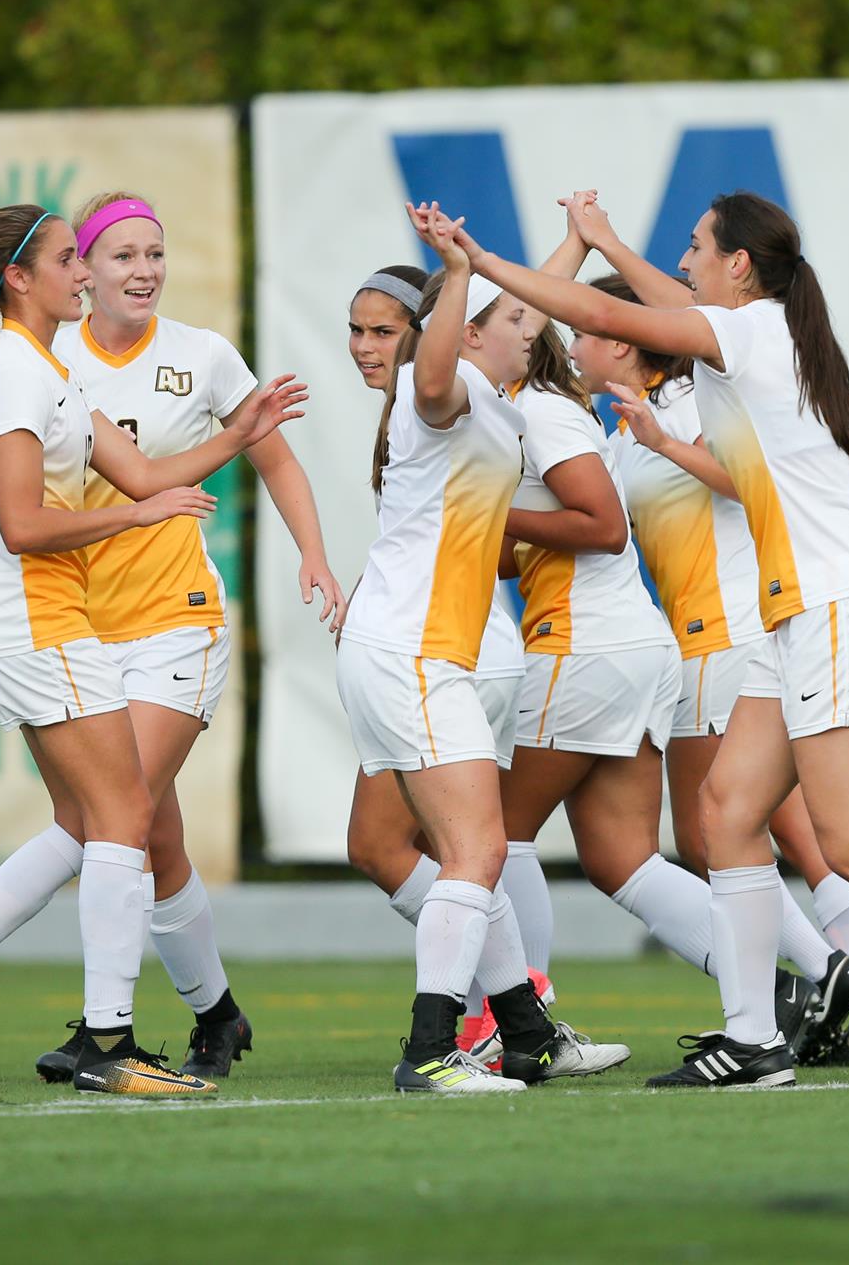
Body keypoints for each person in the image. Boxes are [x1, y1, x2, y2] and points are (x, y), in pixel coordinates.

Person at [442, 192, 849, 1087]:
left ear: (739, 266)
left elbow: (606, 313)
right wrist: (603, 242)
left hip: (840, 605)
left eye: (693, 247)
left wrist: (477, 265)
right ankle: (753, 1038)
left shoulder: (751, 332)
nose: (680, 262)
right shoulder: (750, 328)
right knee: (724, 818)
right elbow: (662, 307)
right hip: (798, 614)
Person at [0, 204, 304, 1097]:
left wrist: (239, 430)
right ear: (20, 281)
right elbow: (27, 525)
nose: (86, 272)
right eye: (74, 259)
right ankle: (107, 1042)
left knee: (99, 823)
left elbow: (148, 473)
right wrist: (135, 516)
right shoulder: (11, 378)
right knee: (123, 821)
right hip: (35, 620)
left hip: (44, 623)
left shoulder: (43, 367)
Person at [16, 191, 344, 1085]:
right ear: (81, 270)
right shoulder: (47, 363)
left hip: (177, 621)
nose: (144, 270)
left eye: (155, 253)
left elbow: (272, 454)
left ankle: (100, 1026)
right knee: (151, 837)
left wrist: (313, 555)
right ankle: (219, 1015)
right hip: (82, 629)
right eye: (122, 255)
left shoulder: (201, 356)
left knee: (106, 822)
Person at [583, 253, 849, 1065]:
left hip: (732, 635)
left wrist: (663, 441)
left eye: (590, 329)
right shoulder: (627, 427)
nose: (579, 342)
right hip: (720, 641)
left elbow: (745, 482)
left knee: (734, 833)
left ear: (630, 341)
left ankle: (841, 981)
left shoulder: (700, 397)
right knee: (773, 832)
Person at [335, 204, 607, 1094]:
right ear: (475, 328)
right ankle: (431, 1050)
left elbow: (519, 295)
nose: (534, 328)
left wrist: (572, 241)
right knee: (476, 853)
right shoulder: (444, 387)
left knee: (468, 851)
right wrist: (455, 275)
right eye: (515, 320)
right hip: (414, 651)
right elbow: (439, 364)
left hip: (423, 650)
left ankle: (524, 1032)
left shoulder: (494, 389)